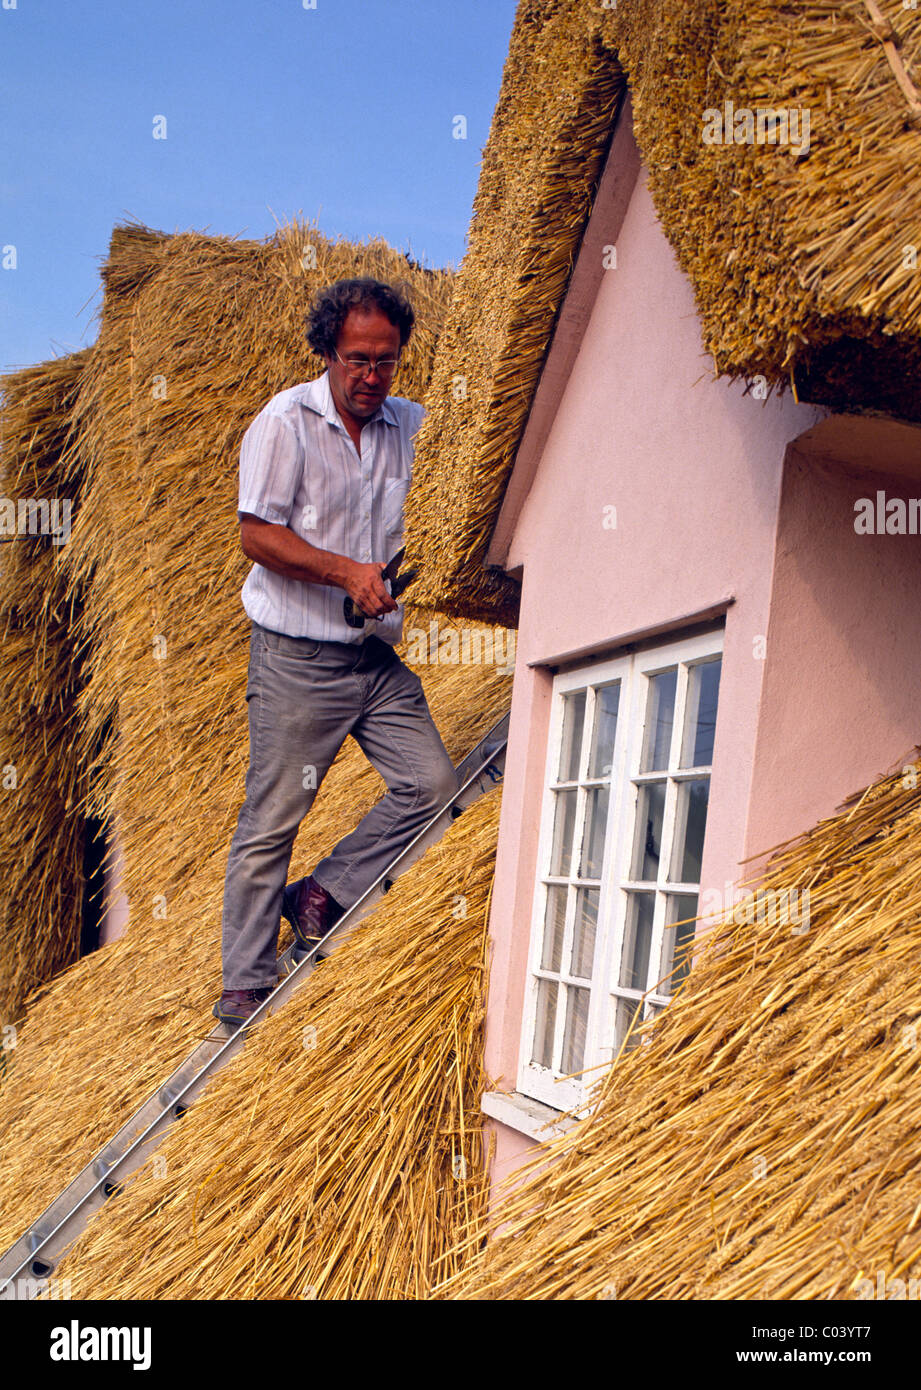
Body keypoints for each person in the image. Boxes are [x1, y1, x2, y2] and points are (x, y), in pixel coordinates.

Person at [214, 277, 459, 1028]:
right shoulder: (285, 423)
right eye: (356, 359)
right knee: (273, 818)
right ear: (328, 351)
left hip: (372, 660)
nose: (370, 376)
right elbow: (258, 535)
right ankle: (245, 980)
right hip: (296, 657)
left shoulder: (412, 425)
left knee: (433, 787)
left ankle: (323, 891)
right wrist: (346, 571)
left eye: (385, 361)